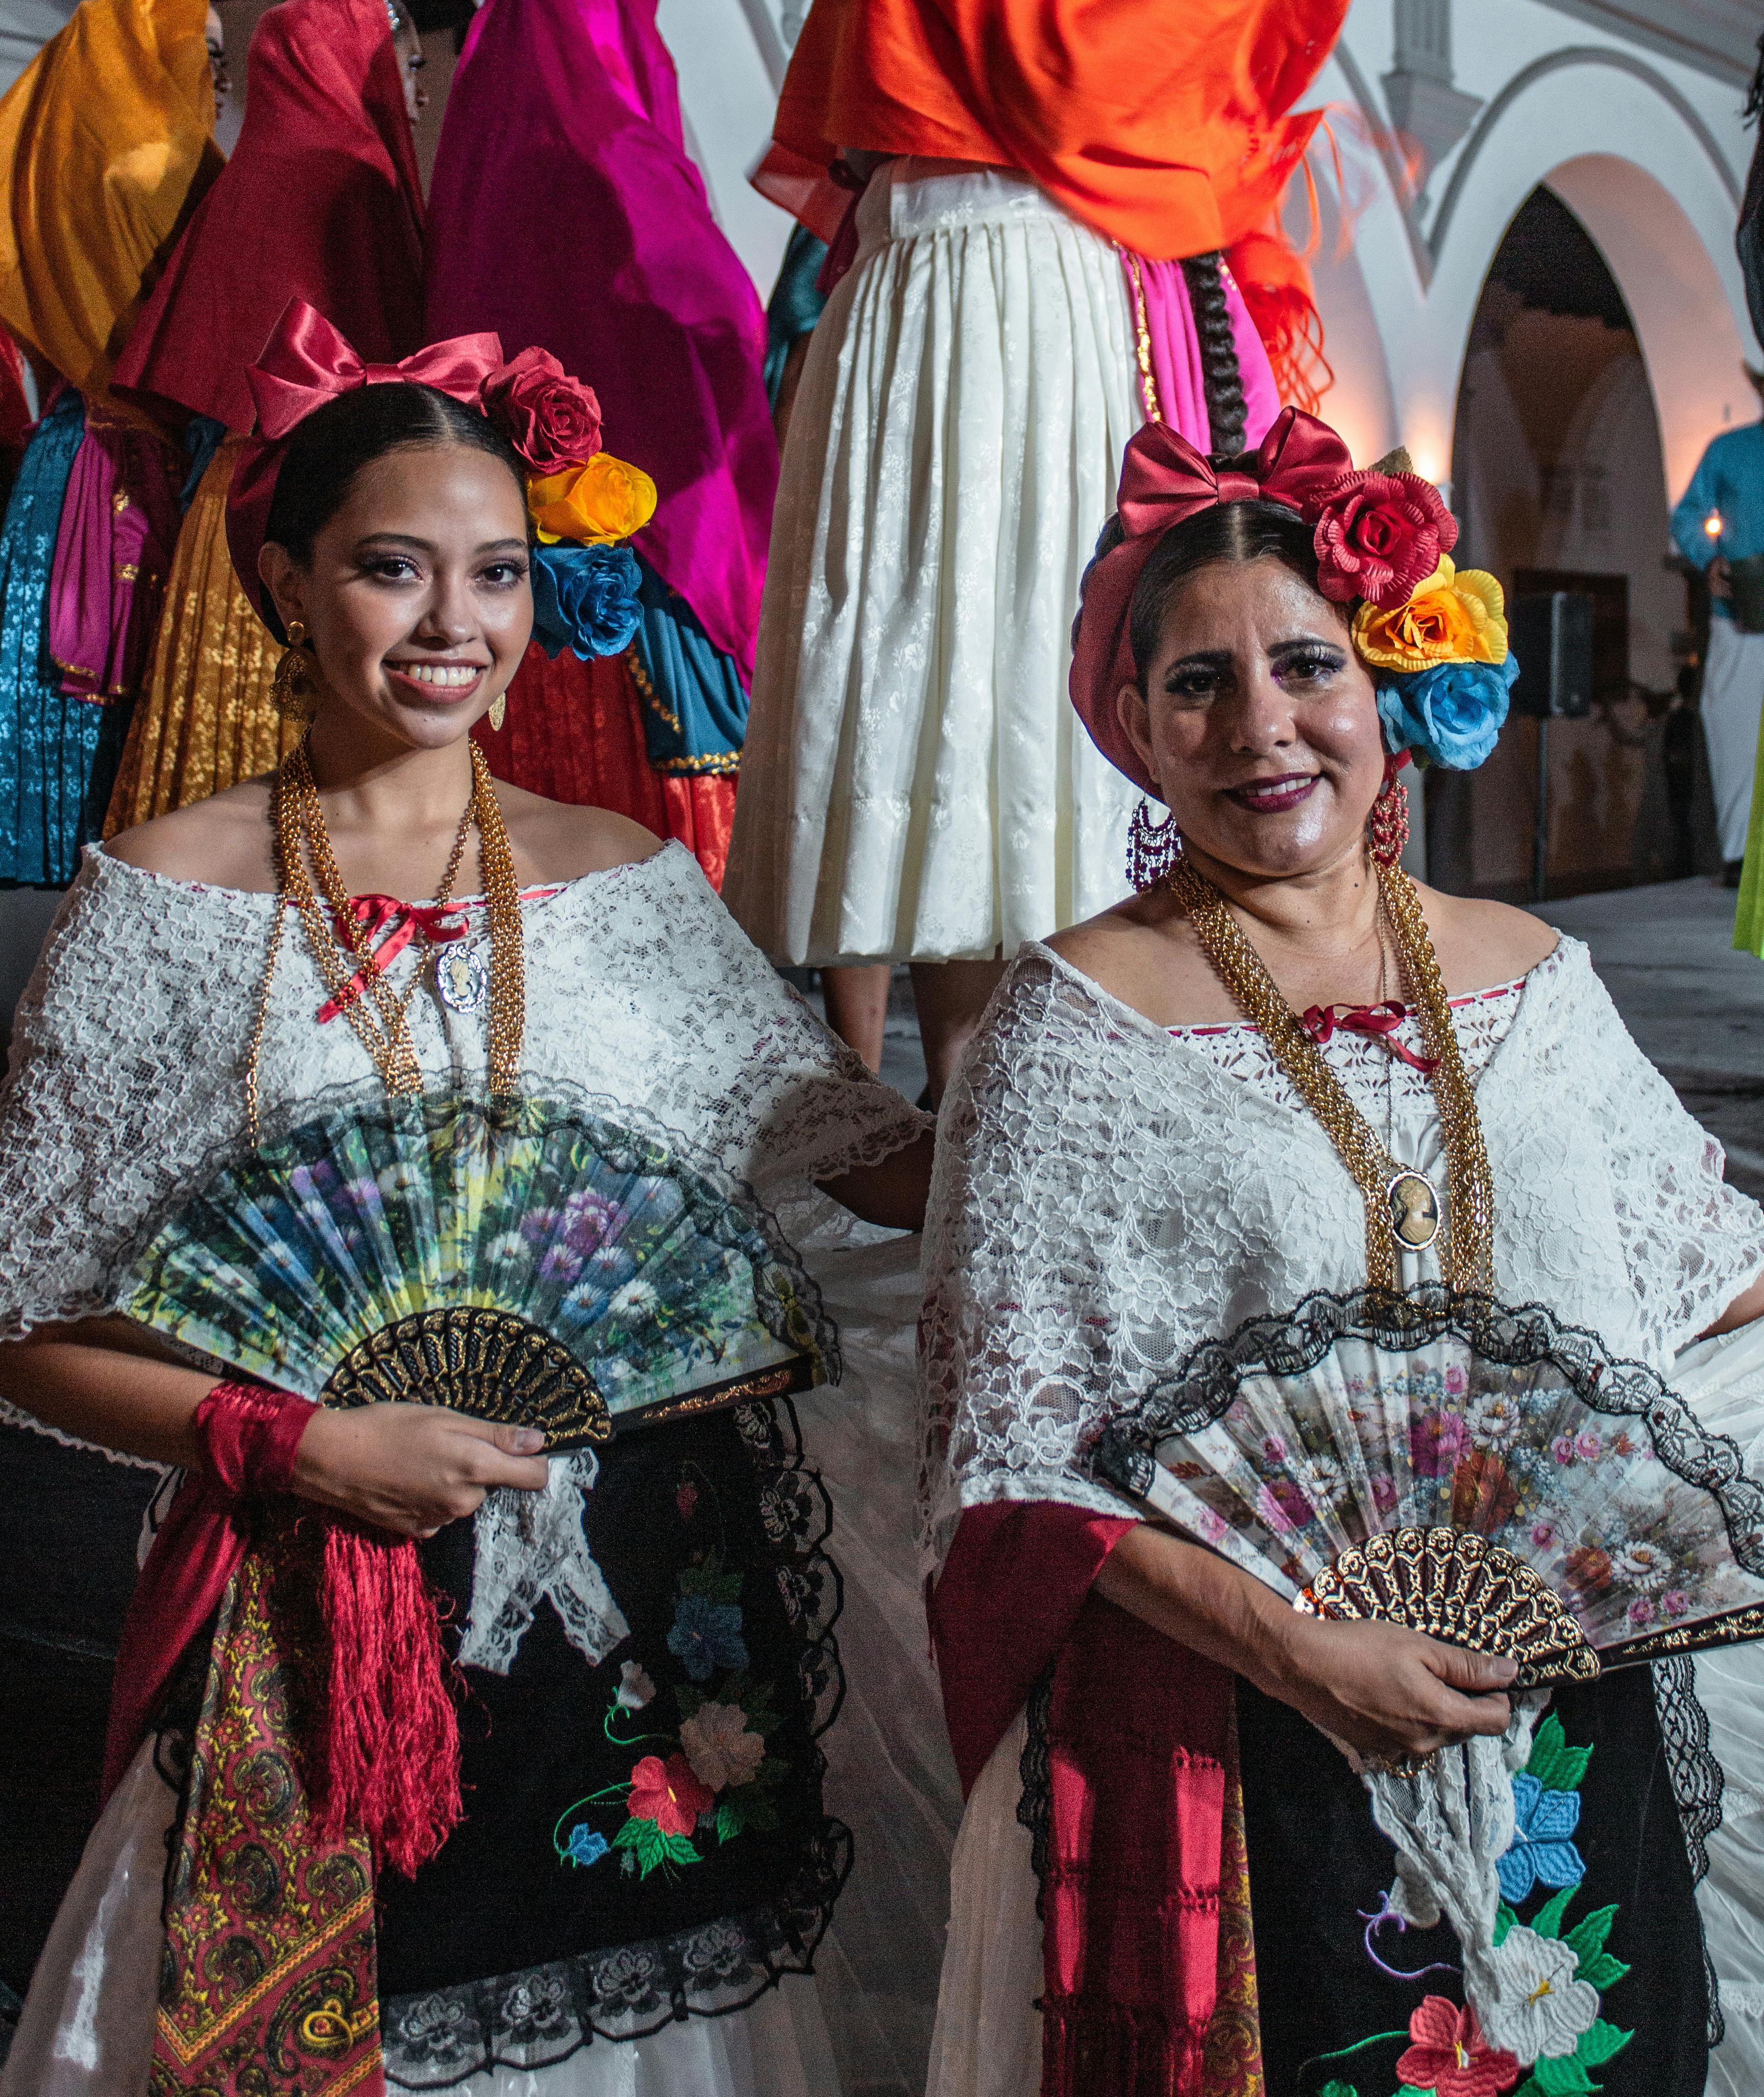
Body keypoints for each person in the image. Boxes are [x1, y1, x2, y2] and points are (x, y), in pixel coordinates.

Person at [0, 309, 942, 2097]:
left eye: (497, 572)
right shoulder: (153, 899)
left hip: (647, 1620)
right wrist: (291, 1445)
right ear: (285, 583)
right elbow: (29, 1328)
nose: (455, 624)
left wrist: (1129, 1067)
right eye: (392, 567)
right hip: (299, 1603)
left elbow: (858, 1162)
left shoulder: (629, 881)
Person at [917, 408, 1764, 2095]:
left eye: (1306, 664)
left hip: (1563, 1701)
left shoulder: (1533, 972)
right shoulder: (1065, 1027)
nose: (1261, 729)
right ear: (1132, 727)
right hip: (1248, 1728)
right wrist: (1305, 1653)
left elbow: (1695, 1275)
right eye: (1196, 686)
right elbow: (1011, 1472)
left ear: (1387, 676)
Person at [726, 0, 1379, 1095]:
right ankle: (984, 1101)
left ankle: (992, 1095)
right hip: (996, 292)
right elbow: (1089, 80)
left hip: (988, 286)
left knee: (999, 657)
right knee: (1002, 646)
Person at [422, 0, 778, 893]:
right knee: (669, 863)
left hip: (501, 581)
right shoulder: (627, 162)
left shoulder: (471, 180)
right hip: (642, 576)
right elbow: (722, 336)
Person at [102, 0, 426, 832]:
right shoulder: (352, 179)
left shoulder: (246, 181)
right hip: (334, 504)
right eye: (404, 60)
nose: (418, 88)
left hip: (228, 503)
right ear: (357, 57)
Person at [0, 0, 224, 887]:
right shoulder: (161, 163)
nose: (218, 75)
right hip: (140, 455)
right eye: (203, 52)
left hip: (63, 454)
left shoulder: (47, 150)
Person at [1671, 366, 1764, 886]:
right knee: (1735, 731)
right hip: (1741, 615)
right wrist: (1710, 561)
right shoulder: (1729, 450)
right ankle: (1741, 857)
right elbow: (1687, 516)